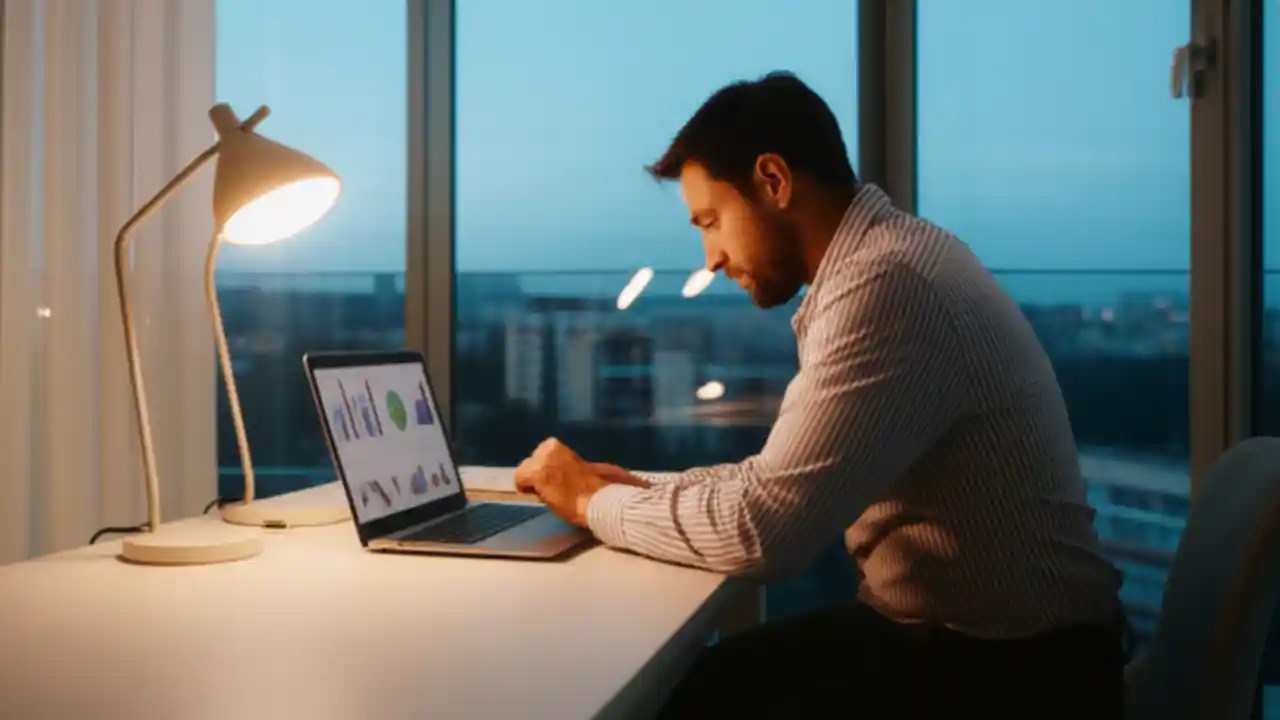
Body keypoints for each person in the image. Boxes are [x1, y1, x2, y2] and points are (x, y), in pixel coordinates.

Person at [514, 71, 1125, 718]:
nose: (710, 258)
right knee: (706, 685)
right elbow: (779, 481)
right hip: (986, 645)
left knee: (690, 698)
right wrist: (641, 491)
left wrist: (590, 501)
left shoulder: (887, 285)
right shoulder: (886, 261)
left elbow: (768, 531)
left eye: (712, 220)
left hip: (1018, 679)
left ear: (773, 181)